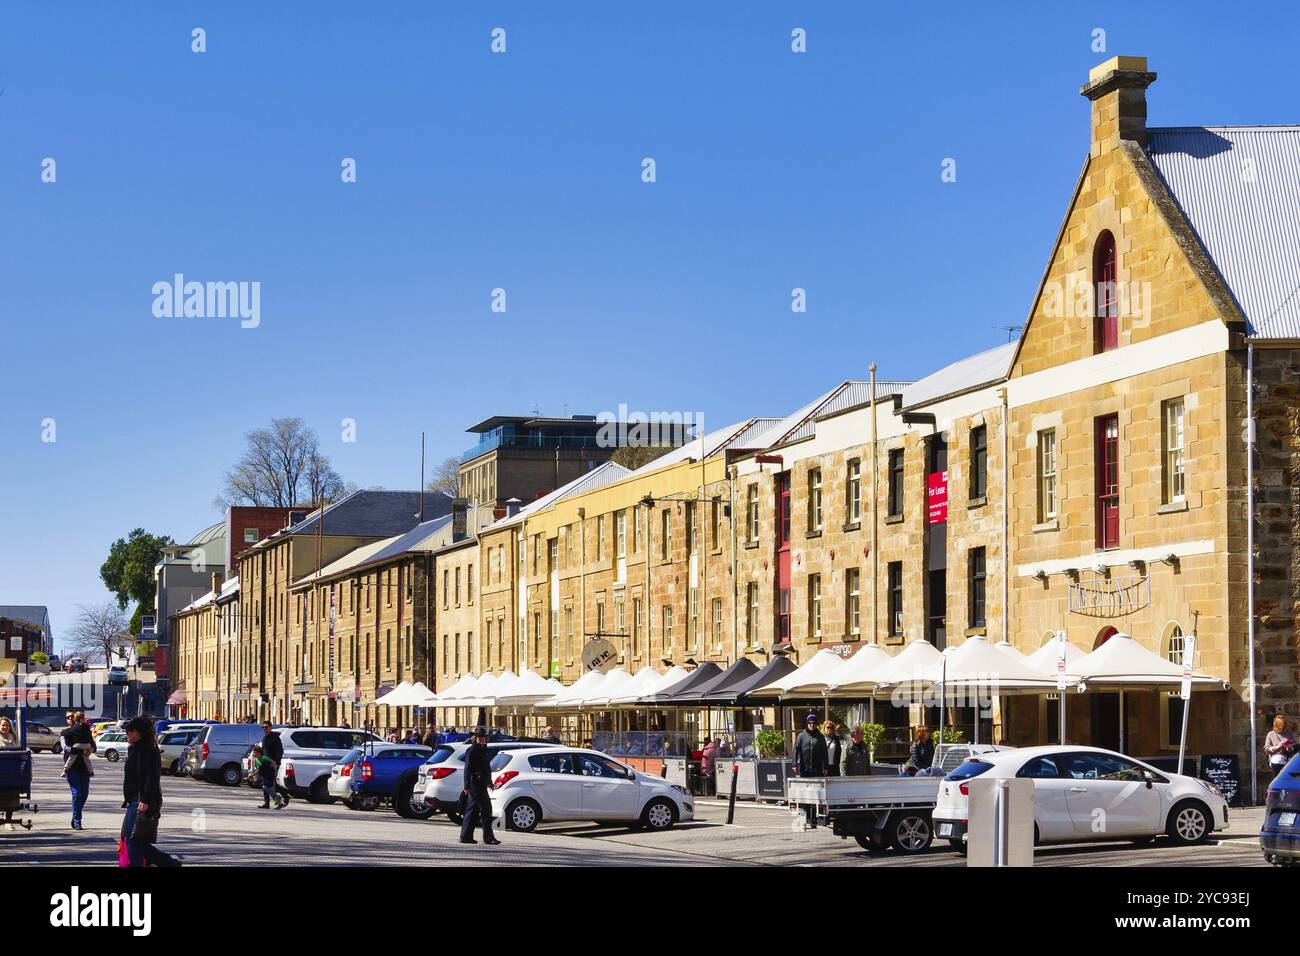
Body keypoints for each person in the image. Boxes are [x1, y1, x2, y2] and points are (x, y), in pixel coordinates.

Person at [120, 716, 180, 867]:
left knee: (133, 840)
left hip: (141, 801)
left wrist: (145, 800)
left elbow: (152, 777)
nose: (127, 734)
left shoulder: (148, 750)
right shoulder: (135, 748)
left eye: (129, 731)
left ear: (138, 733)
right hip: (134, 800)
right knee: (137, 840)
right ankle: (169, 863)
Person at [459, 727, 501, 846]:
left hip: (481, 783)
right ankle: (488, 838)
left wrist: (490, 782)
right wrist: (466, 786)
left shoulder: (483, 749)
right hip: (475, 784)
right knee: (486, 810)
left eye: (483, 737)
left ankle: (465, 836)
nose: (481, 739)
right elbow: (467, 768)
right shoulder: (472, 750)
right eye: (479, 737)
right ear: (475, 738)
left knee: (472, 810)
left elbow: (485, 768)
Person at [61, 711, 94, 830]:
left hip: (84, 768)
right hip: (72, 768)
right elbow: (65, 748)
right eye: (67, 717)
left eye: (71, 717)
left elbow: (93, 744)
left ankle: (75, 817)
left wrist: (91, 749)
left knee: (84, 794)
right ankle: (77, 821)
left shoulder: (85, 730)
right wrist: (82, 751)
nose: (70, 719)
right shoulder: (65, 732)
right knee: (77, 793)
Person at [260, 721, 291, 807]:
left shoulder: (275, 738)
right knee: (265, 782)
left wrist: (276, 762)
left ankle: (285, 795)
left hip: (273, 764)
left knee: (270, 783)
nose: (264, 729)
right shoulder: (264, 738)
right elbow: (263, 751)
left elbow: (279, 751)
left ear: (270, 727)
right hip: (265, 764)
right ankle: (266, 803)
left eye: (266, 727)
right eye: (263, 727)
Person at [0, 716, 22, 831]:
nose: (5, 727)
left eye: (7, 725)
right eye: (3, 725)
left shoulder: (14, 738)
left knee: (11, 796)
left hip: (11, 771)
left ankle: (8, 821)